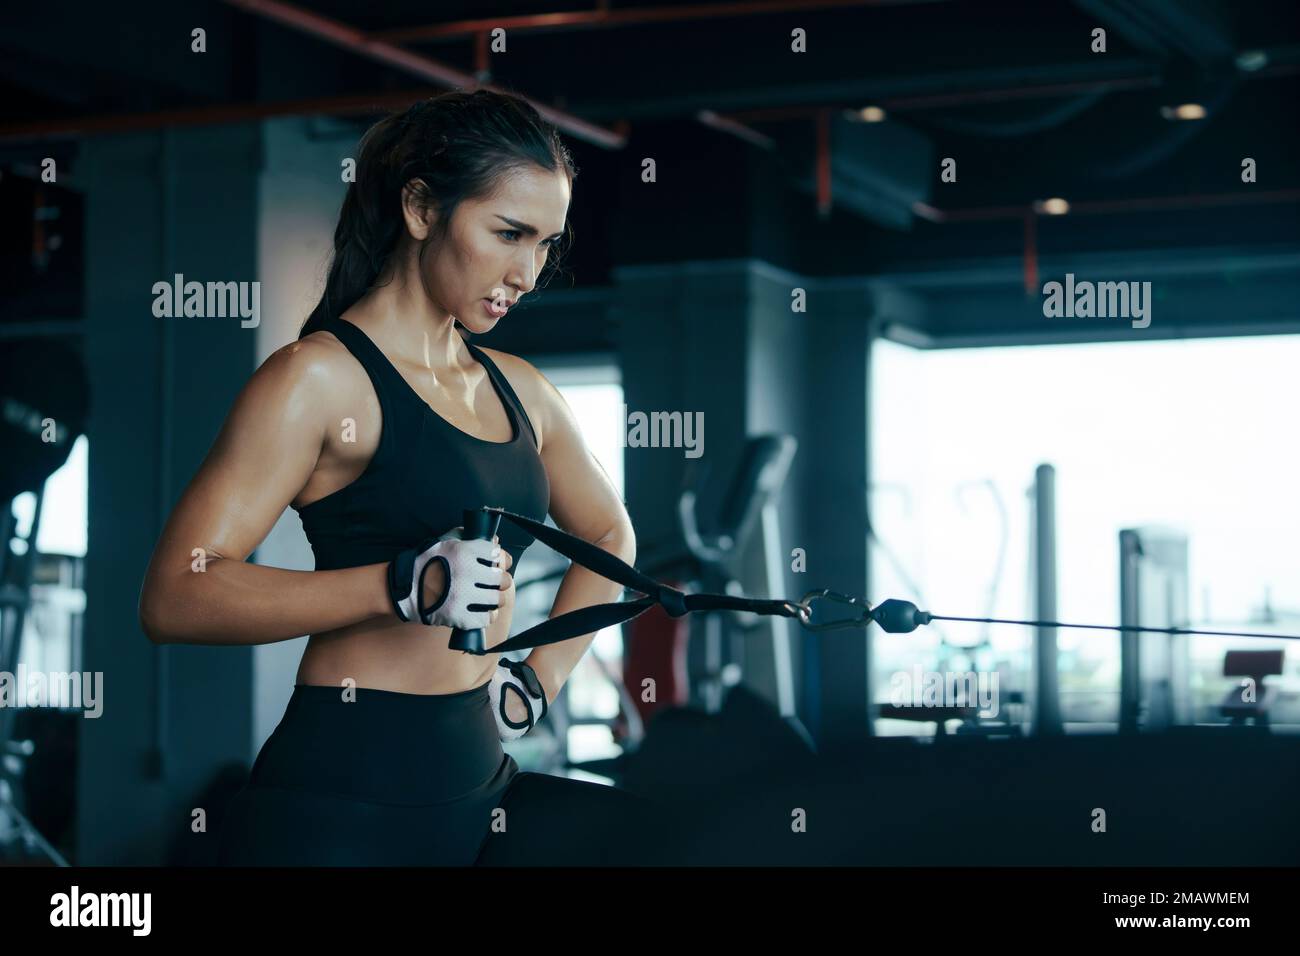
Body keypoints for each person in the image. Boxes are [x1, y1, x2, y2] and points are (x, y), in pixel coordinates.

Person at [139, 88, 666, 866]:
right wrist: (398, 584)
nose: (528, 272)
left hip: (478, 772)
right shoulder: (316, 379)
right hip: (345, 785)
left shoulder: (522, 388)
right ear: (421, 208)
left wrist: (536, 681)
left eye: (546, 244)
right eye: (508, 232)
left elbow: (607, 536)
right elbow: (175, 595)